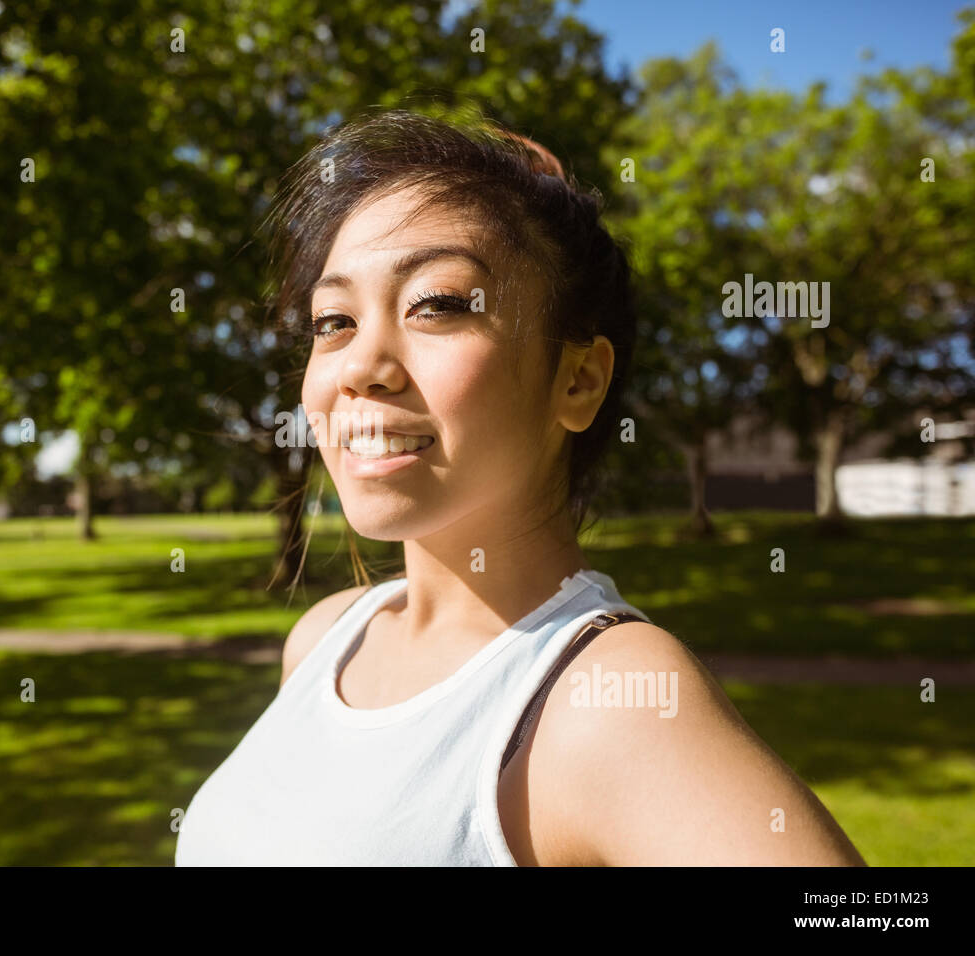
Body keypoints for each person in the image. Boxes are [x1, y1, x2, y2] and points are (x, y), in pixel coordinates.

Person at [174, 107, 866, 866]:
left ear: (579, 379)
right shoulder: (325, 639)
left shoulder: (607, 700)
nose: (359, 365)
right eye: (332, 320)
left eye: (437, 305)